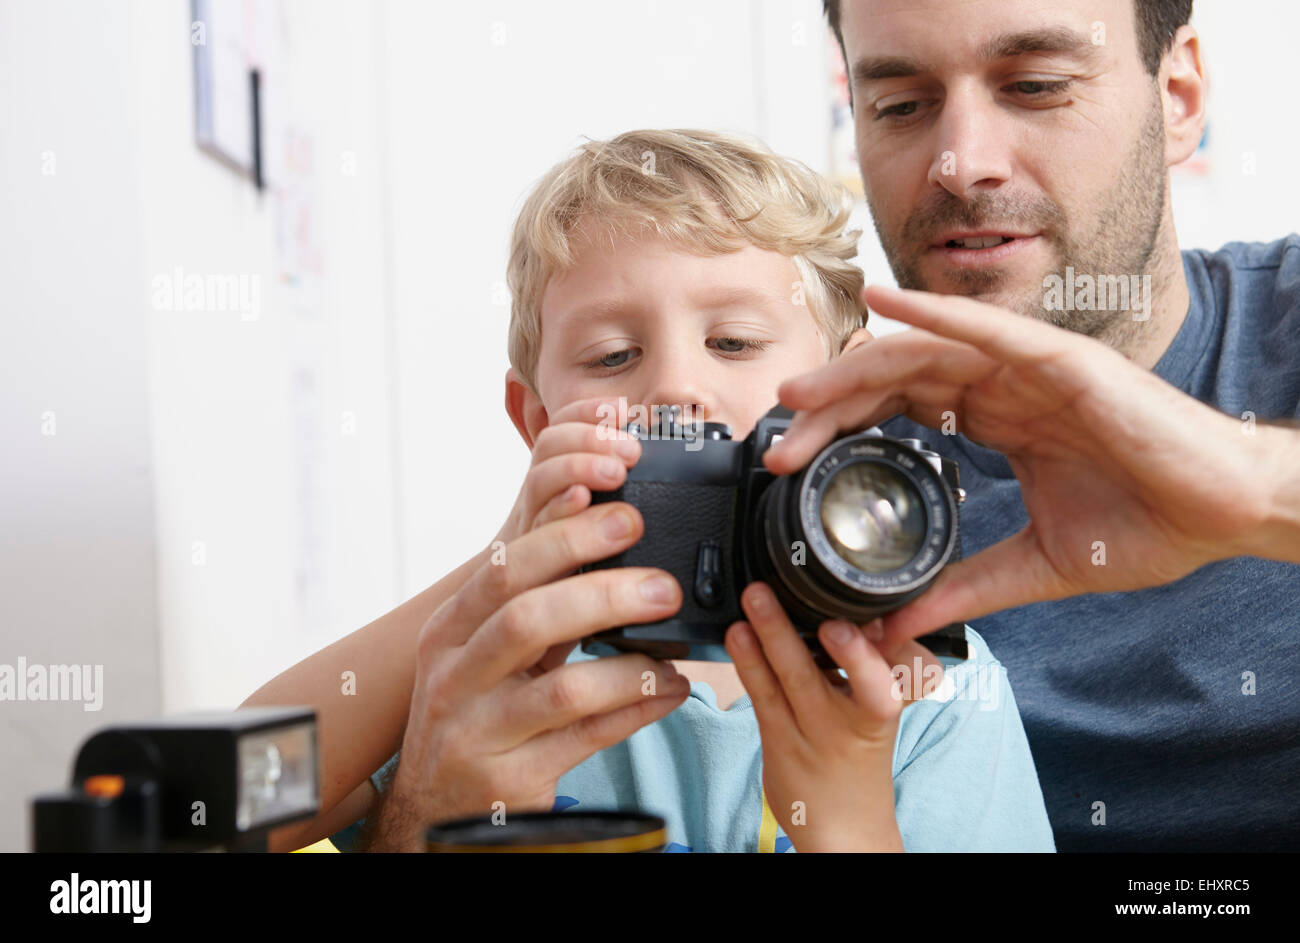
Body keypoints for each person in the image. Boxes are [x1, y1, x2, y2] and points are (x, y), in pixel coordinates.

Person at [244, 128, 1055, 852]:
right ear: (535, 420)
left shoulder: (921, 678)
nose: (675, 388)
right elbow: (207, 805)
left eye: (734, 341)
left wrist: (846, 824)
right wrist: (504, 572)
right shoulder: (490, 665)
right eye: (609, 356)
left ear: (855, 387)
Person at [793, 0, 1300, 850]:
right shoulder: (804, 467)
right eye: (901, 106)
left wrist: (1257, 487)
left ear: (1176, 96)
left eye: (1034, 85)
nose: (960, 165)